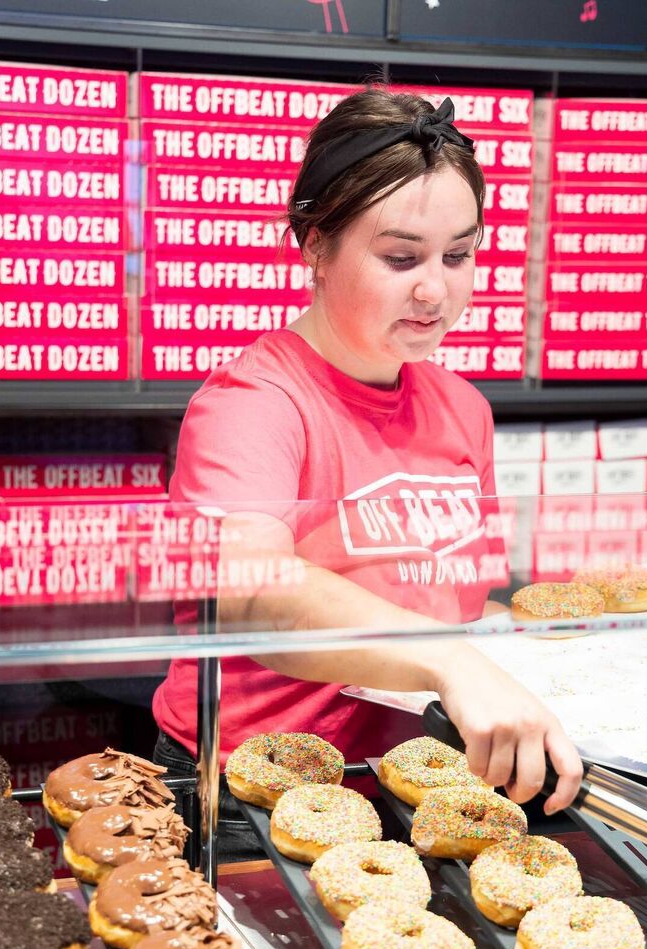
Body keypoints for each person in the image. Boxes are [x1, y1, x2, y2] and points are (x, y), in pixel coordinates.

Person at [152, 87, 582, 816]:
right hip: (250, 789)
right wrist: (451, 662)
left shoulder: (464, 409)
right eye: (400, 257)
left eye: (458, 255)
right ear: (316, 243)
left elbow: (462, 602)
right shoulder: (253, 404)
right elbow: (249, 593)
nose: (434, 289)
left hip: (412, 775)